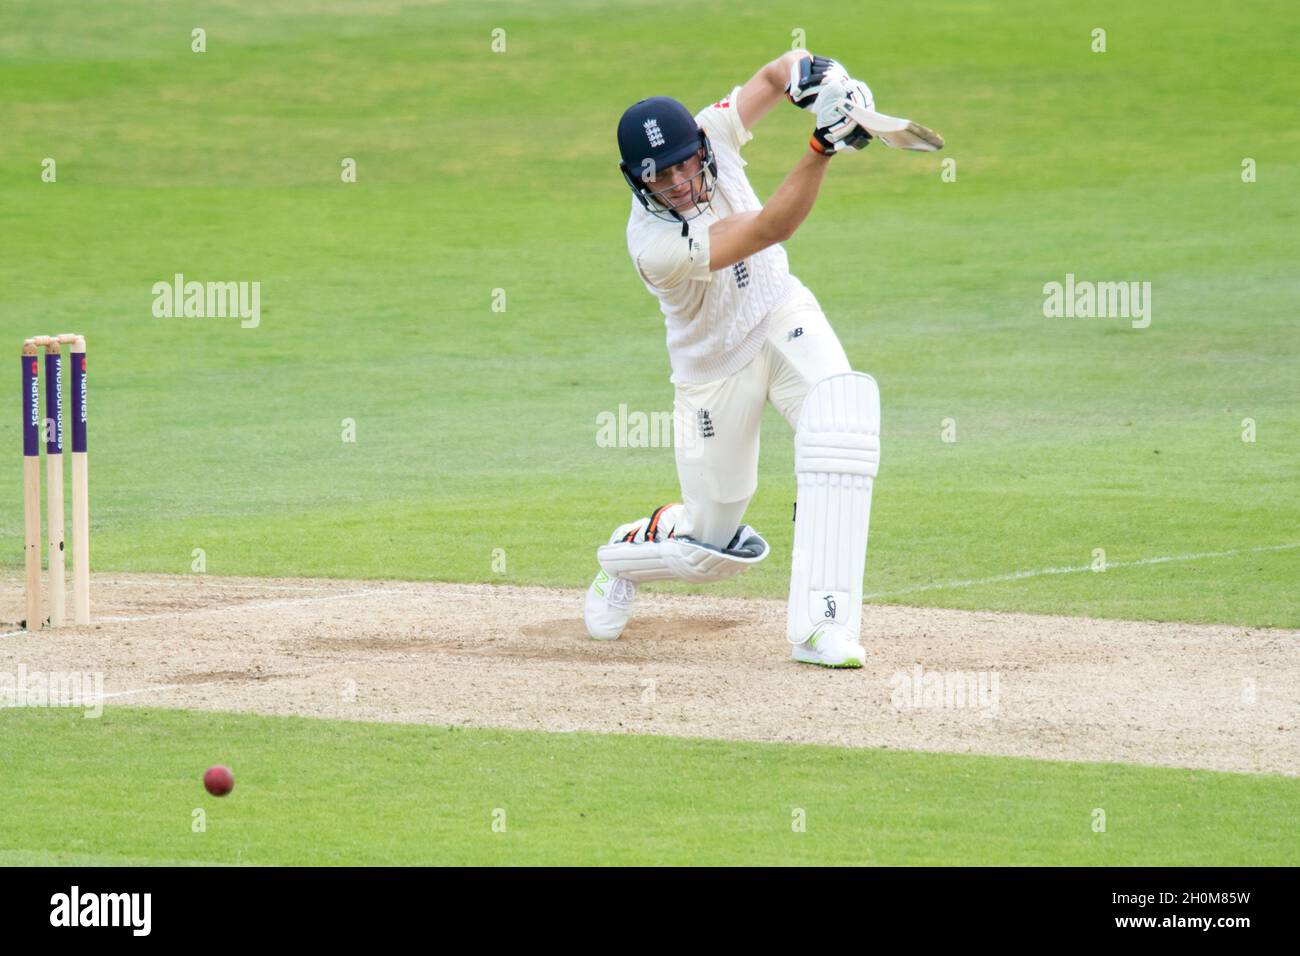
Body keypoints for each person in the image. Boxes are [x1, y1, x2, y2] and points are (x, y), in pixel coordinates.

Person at [585, 52, 882, 668]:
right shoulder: (655, 246)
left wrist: (820, 80)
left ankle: (821, 626)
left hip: (781, 313)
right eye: (660, 178)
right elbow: (772, 226)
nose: (680, 183)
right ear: (637, 181)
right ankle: (625, 555)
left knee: (841, 427)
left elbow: (776, 76)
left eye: (686, 164)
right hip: (714, 372)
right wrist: (821, 144)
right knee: (709, 551)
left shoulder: (714, 127)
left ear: (701, 144)